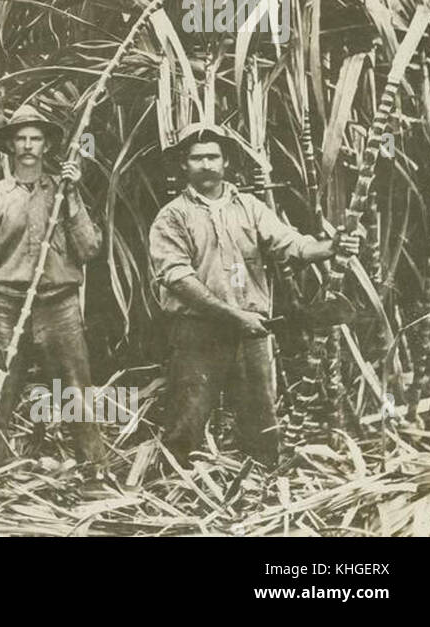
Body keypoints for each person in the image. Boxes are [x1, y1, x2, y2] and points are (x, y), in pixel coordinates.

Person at [148, 123, 360, 466]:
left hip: (253, 329)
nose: (206, 164)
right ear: (184, 165)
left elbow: (291, 244)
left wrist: (332, 247)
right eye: (197, 158)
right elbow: (176, 277)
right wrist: (232, 316)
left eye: (212, 157)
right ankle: (176, 488)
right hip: (198, 331)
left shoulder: (249, 207)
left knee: (260, 419)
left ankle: (262, 487)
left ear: (225, 162)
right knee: (187, 418)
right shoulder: (173, 216)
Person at [0, 105, 106, 467]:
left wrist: (72, 197)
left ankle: (94, 469)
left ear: (45, 146)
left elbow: (89, 249)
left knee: (76, 387)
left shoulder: (63, 191)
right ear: (10, 146)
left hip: (60, 305)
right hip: (8, 307)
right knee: (0, 390)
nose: (28, 145)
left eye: (36, 138)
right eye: (21, 138)